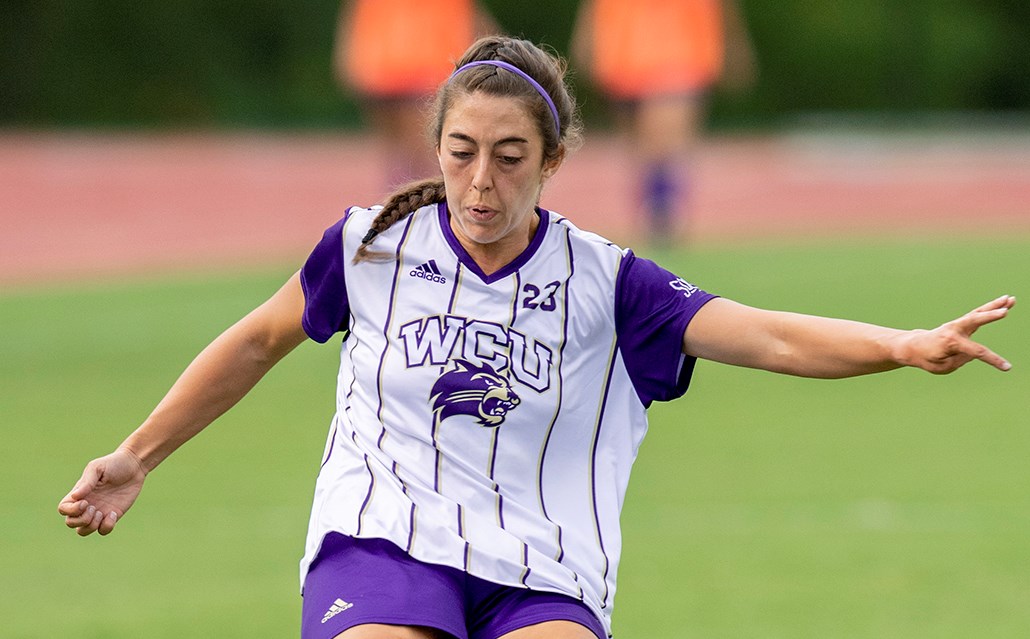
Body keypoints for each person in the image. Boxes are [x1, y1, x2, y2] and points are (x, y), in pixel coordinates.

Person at [58, 35, 1014, 639]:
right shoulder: (368, 247)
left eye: (510, 158)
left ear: (551, 162)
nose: (481, 182)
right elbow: (258, 342)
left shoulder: (611, 283)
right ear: (435, 148)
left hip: (545, 564)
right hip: (384, 541)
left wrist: (902, 344)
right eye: (461, 152)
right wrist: (138, 454)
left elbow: (766, 336)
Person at [571, 0, 757, 245]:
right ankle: (655, 207)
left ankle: (663, 211)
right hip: (623, 53)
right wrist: (587, 39)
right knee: (640, 150)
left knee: (665, 141)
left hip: (681, 53)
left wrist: (733, 45)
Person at [334, 0, 498, 189]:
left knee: (410, 151)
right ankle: (418, 202)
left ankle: (408, 201)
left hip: (393, 64)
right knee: (414, 151)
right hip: (413, 65)